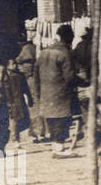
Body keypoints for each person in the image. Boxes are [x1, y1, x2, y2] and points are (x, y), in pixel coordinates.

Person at [33, 25, 79, 157]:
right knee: (62, 120)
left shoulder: (43, 53)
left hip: (46, 93)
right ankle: (59, 149)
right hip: (61, 93)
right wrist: (83, 82)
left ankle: (56, 147)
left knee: (52, 120)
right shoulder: (64, 53)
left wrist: (38, 92)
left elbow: (35, 75)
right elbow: (69, 77)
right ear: (70, 38)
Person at [12, 32, 44, 143]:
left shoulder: (26, 51)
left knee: (34, 106)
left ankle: (37, 132)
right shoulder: (34, 48)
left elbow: (21, 63)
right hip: (35, 80)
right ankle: (38, 131)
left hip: (31, 80)